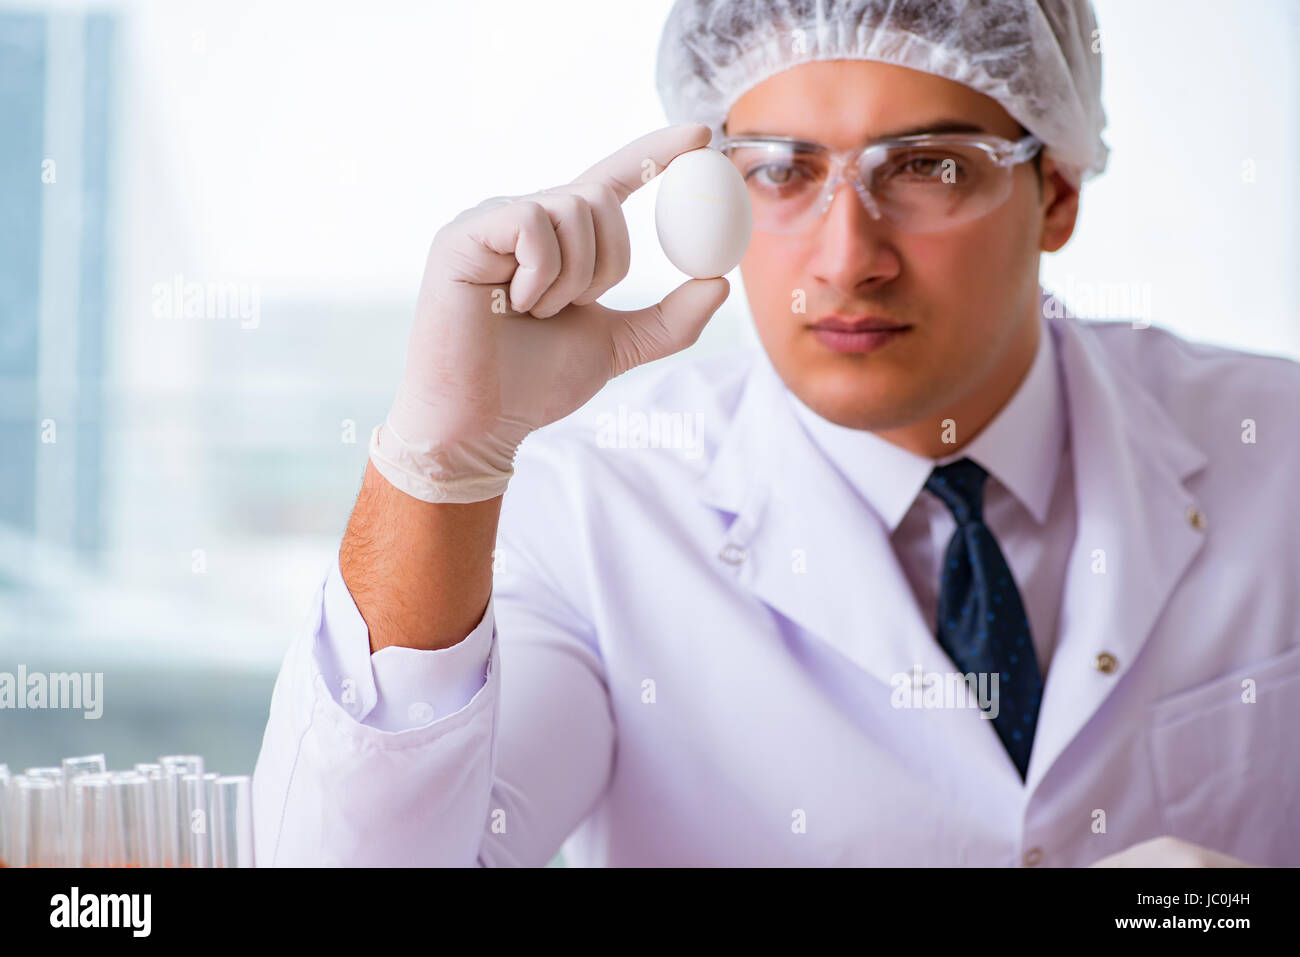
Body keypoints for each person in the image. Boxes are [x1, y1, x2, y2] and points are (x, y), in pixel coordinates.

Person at [251, 0, 1300, 866]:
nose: (847, 260)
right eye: (779, 169)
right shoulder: (594, 516)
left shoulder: (1279, 449)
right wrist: (439, 464)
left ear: (1056, 193)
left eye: (927, 167)